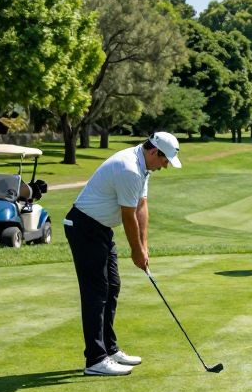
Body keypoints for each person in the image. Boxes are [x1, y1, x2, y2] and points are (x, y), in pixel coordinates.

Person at [64, 132, 182, 376]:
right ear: (153, 152)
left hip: (101, 229)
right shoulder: (128, 168)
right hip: (85, 228)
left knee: (112, 286)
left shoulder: (143, 168)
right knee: (96, 292)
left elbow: (142, 206)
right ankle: (95, 359)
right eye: (164, 160)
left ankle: (109, 348)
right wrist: (136, 251)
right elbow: (128, 216)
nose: (165, 166)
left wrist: (144, 246)